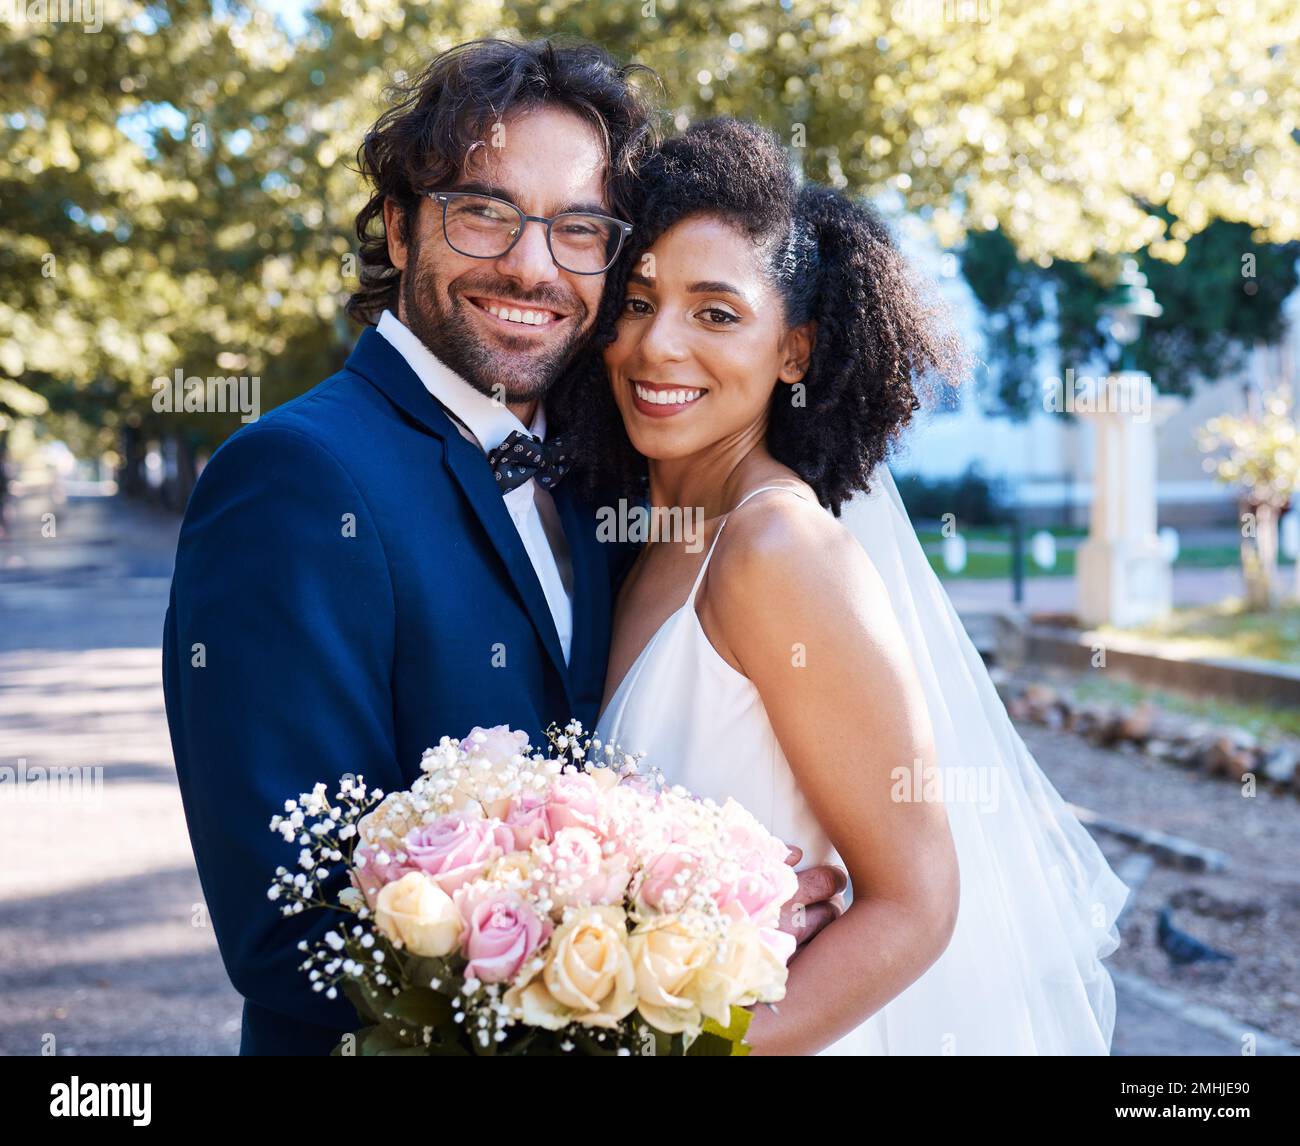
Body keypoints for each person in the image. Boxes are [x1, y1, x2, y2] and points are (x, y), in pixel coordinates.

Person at [161, 42, 852, 1056]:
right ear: (399, 228)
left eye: (578, 229)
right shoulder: (294, 481)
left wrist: (725, 923)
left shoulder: (590, 476)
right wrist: (684, 952)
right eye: (484, 212)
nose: (532, 266)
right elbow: (287, 924)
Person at [559, 118, 1130, 1054]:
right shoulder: (640, 537)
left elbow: (915, 903)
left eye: (716, 313)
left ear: (796, 351)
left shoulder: (777, 550)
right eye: (633, 301)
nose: (655, 346)